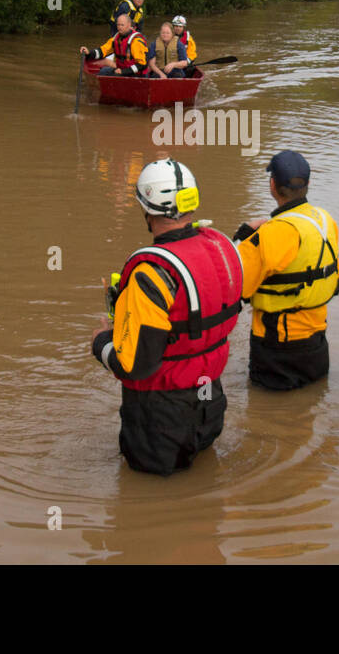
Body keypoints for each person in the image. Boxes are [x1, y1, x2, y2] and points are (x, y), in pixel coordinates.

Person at [92, 159, 243, 475]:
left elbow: (136, 366)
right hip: (211, 402)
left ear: (146, 211)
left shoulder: (151, 275)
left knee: (146, 505)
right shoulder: (224, 249)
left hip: (160, 418)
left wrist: (101, 342)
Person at [232, 150, 339, 390]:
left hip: (277, 348)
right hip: (317, 346)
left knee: (265, 420)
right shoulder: (325, 220)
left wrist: (243, 236)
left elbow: (234, 284)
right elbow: (337, 281)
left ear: (273, 185)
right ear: (308, 184)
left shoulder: (272, 232)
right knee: (305, 417)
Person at [81, 12, 148, 76]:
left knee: (114, 74)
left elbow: (142, 65)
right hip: (121, 70)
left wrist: (123, 72)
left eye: (122, 25)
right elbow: (102, 51)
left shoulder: (136, 41)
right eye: (118, 25)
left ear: (129, 25)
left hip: (135, 74)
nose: (119, 27)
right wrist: (89, 53)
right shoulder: (116, 39)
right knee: (103, 71)